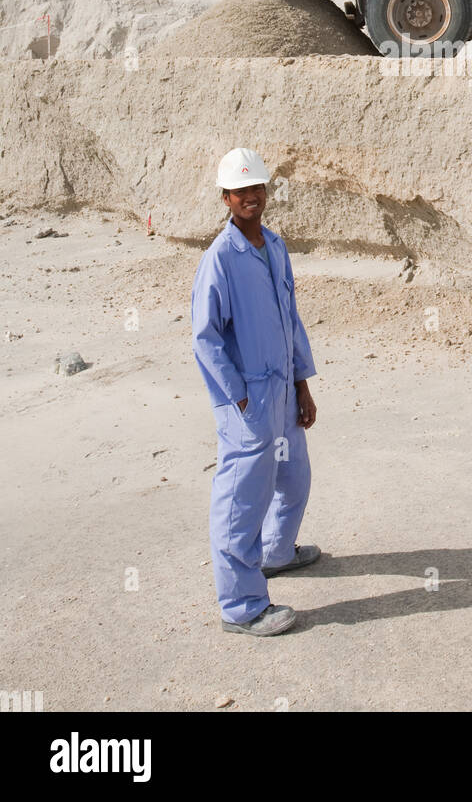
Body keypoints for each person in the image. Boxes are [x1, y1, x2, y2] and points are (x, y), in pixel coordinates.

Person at [191, 147, 319, 636]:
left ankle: (277, 552)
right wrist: (238, 397)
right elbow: (205, 337)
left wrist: (302, 385)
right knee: (241, 500)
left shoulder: (275, 246)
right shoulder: (220, 259)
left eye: (257, 187)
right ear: (225, 198)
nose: (251, 196)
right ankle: (242, 607)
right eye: (240, 190)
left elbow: (291, 321)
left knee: (294, 477)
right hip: (248, 401)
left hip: (283, 392)